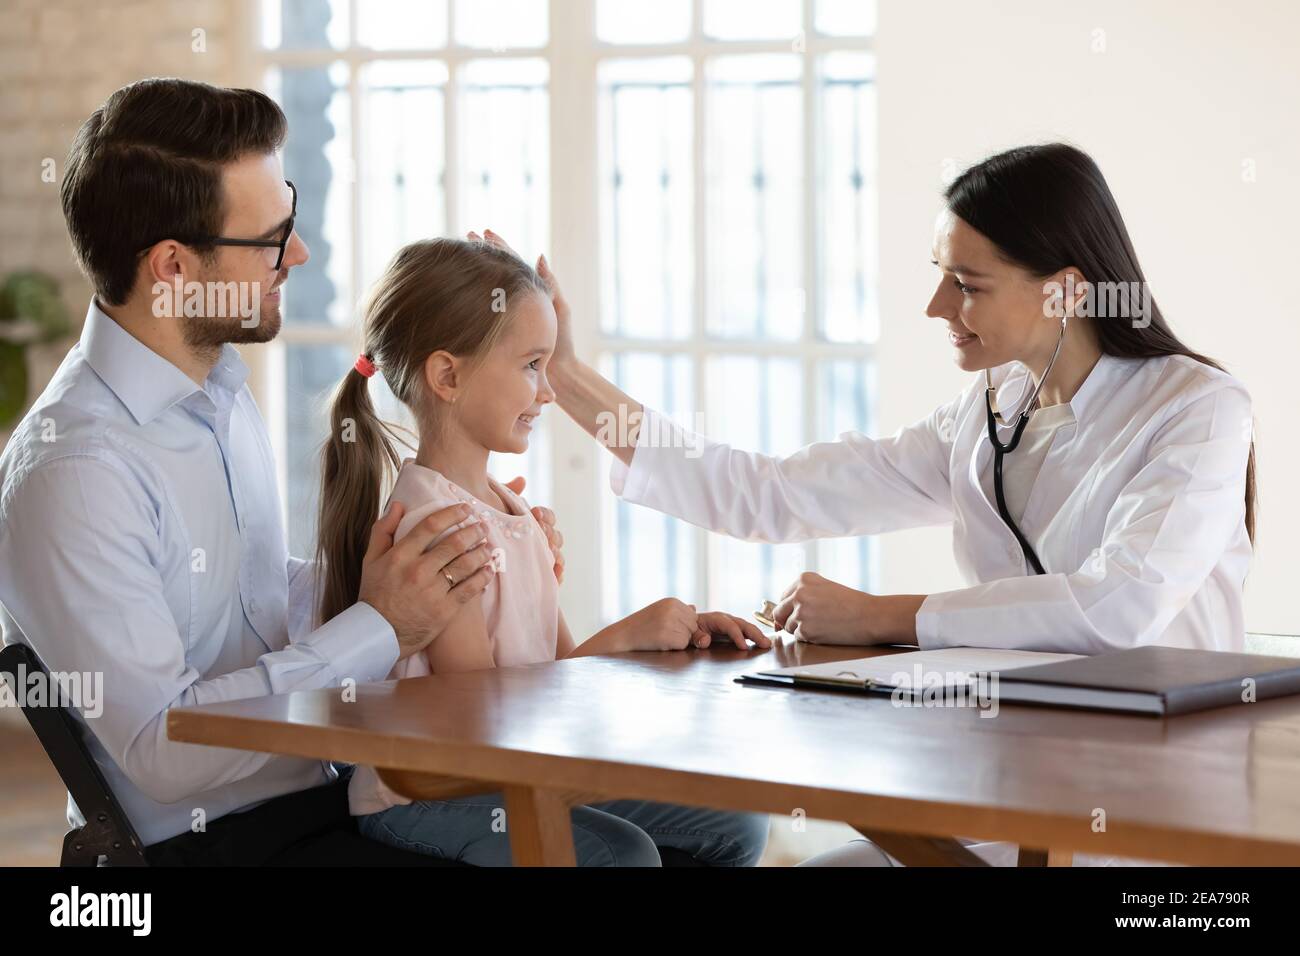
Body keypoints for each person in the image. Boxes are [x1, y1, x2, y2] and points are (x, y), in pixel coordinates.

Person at [0, 78, 558, 865]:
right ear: (173, 267)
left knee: (685, 835)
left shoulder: (217, 387)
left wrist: (437, 569)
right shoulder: (73, 474)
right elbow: (166, 746)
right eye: (270, 238)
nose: (297, 252)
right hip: (224, 845)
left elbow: (249, 598)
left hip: (319, 795)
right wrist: (381, 625)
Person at [320, 237, 772, 866]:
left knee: (737, 823)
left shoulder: (511, 510)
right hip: (429, 793)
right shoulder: (435, 528)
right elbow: (484, 716)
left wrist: (662, 637)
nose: (549, 392)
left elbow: (563, 670)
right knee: (622, 854)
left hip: (513, 773)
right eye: (532, 364)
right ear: (447, 375)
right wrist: (623, 636)